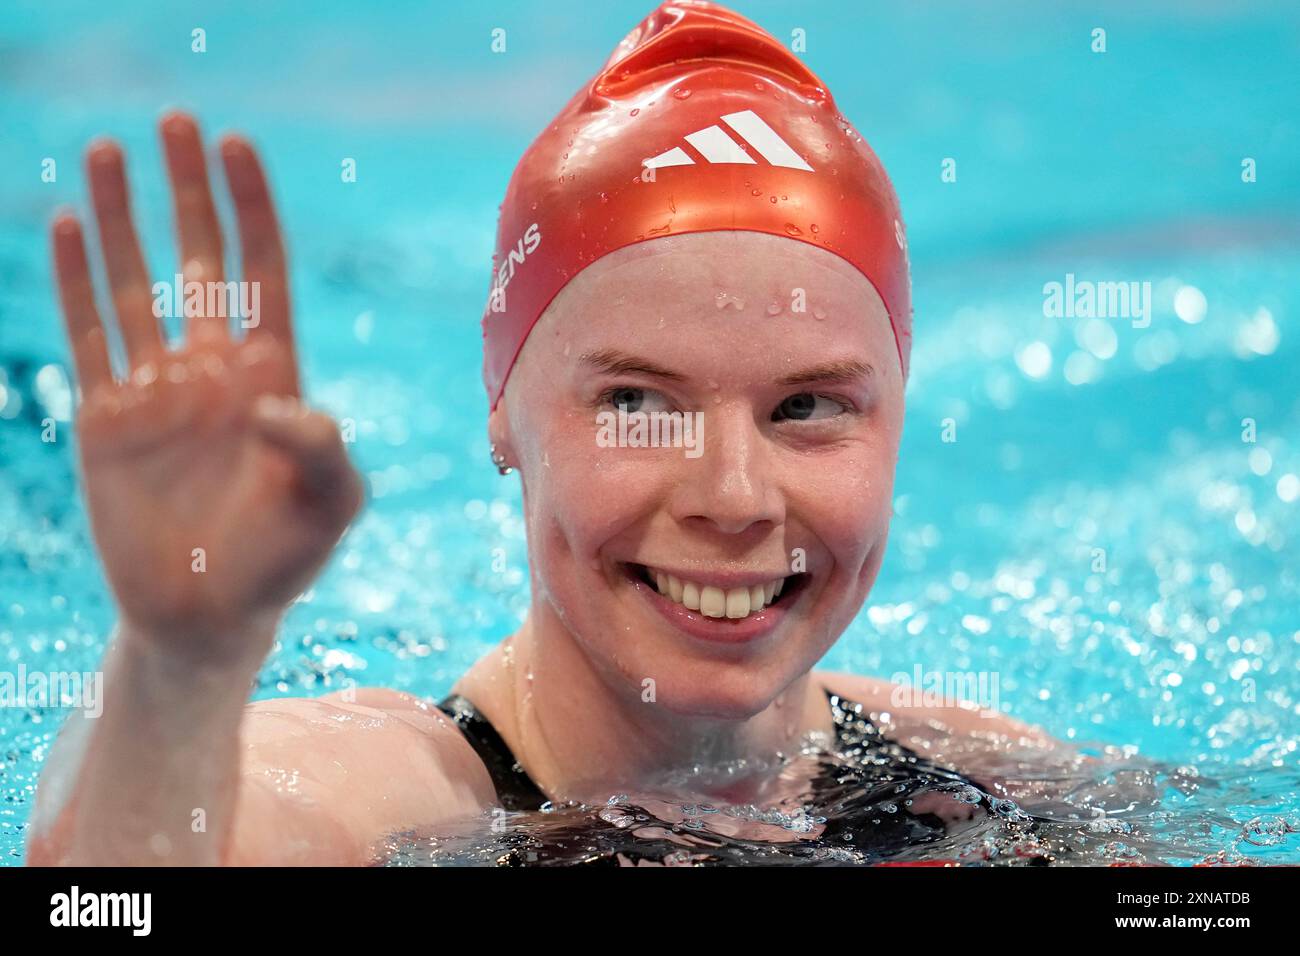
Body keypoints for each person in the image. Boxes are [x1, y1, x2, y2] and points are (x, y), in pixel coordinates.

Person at [27, 0, 1078, 867]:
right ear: (503, 417)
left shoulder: (987, 778)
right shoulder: (409, 792)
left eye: (806, 408)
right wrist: (182, 661)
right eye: (636, 403)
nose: (734, 496)